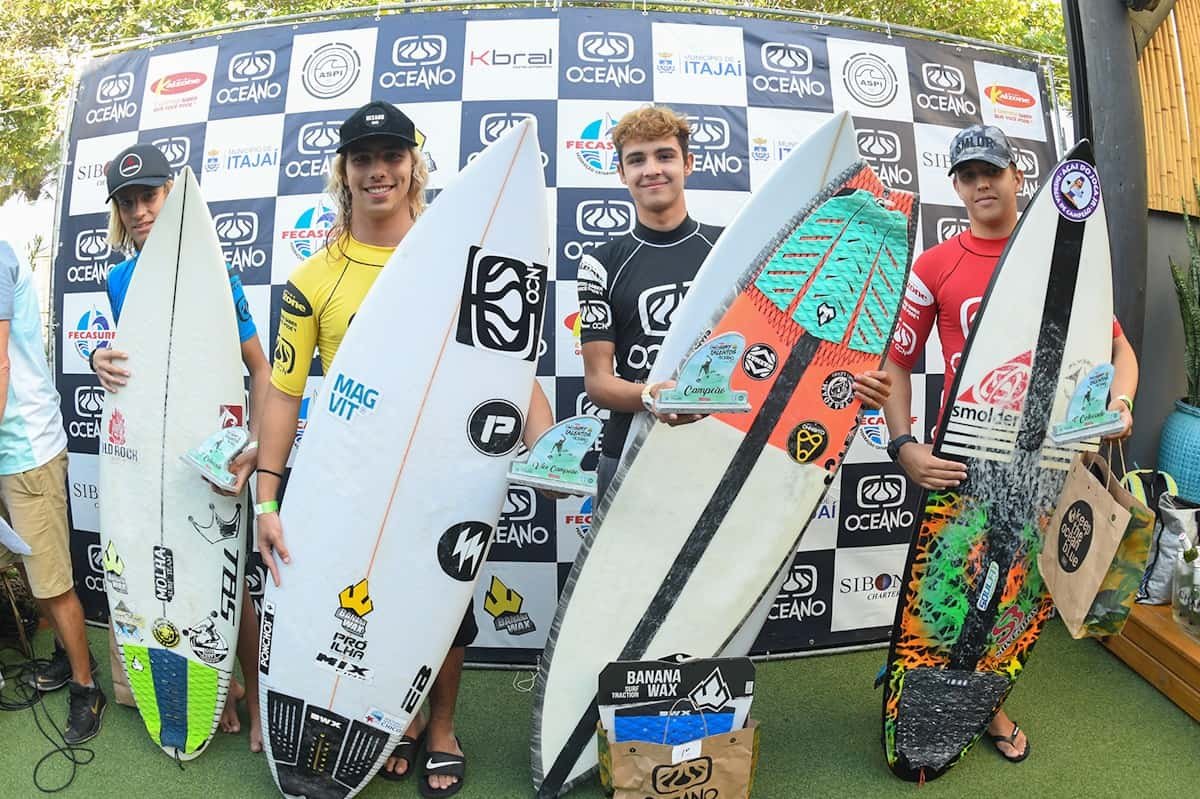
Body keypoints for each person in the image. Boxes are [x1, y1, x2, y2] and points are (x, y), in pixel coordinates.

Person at [254, 100, 555, 798]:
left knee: (440, 607)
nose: (378, 171)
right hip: (350, 476)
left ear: (413, 166)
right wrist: (268, 496)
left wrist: (547, 452)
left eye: (392, 156)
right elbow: (285, 392)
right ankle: (396, 722)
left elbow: (509, 367)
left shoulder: (459, 258)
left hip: (446, 474)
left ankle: (440, 725)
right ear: (345, 173)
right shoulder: (312, 280)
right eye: (363, 158)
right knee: (350, 605)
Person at [880, 123, 1139, 763]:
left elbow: (1120, 351)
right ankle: (919, 685)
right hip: (964, 458)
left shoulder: (1062, 263)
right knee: (949, 587)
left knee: (1014, 594)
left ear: (1018, 175)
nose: (980, 185)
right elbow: (897, 363)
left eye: (991, 171)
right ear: (957, 187)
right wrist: (902, 444)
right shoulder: (935, 266)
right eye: (967, 175)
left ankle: (988, 706)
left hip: (1045, 461)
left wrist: (1120, 405)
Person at [578, 105, 892, 497]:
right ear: (622, 173)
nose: (652, 169)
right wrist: (650, 395)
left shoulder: (735, 249)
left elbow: (785, 353)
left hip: (728, 446)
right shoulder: (602, 262)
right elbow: (598, 383)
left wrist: (852, 385)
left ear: (688, 163)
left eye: (665, 156)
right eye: (637, 160)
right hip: (631, 446)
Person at [91, 142, 271, 750]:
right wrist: (98, 359)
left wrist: (255, 444)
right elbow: (132, 367)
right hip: (151, 456)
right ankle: (219, 693)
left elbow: (260, 367)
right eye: (128, 201)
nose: (141, 210)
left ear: (172, 197)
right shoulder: (118, 280)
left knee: (226, 577)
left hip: (214, 450)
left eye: (151, 196)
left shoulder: (215, 274)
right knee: (166, 570)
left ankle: (251, 689)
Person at [0, 239, 106, 744]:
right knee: (28, 568)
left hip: (27, 449)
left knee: (51, 582)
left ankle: (88, 688)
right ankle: (66, 657)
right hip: (7, 455)